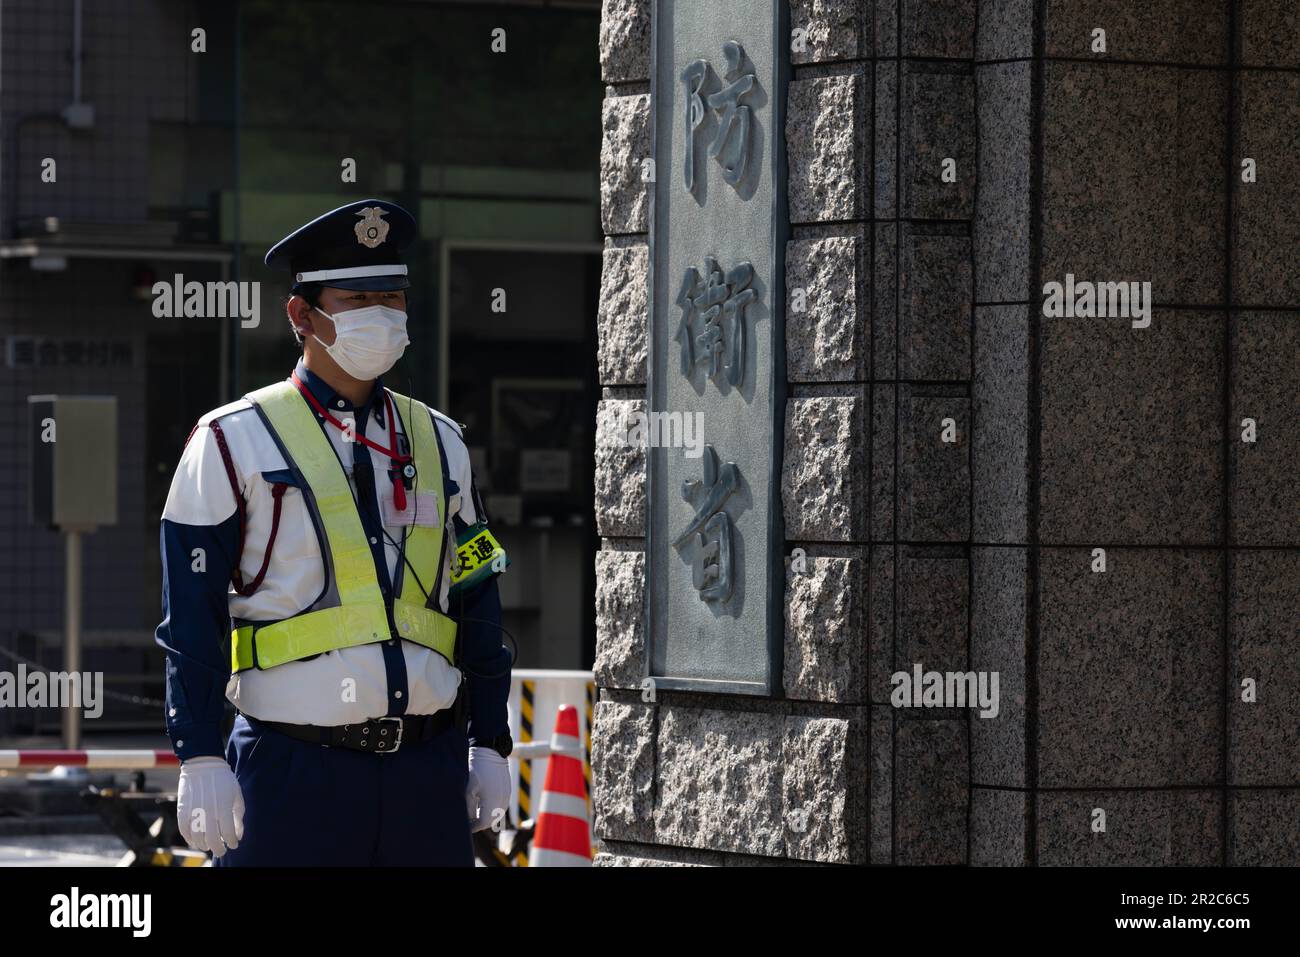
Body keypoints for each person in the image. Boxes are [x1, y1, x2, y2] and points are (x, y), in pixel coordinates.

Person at [154, 199, 513, 865]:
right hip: (294, 772)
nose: (380, 315)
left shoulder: (441, 441)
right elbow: (192, 620)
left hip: (426, 774)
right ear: (302, 315)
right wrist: (199, 751)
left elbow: (479, 590)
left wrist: (491, 738)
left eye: (393, 298)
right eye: (356, 298)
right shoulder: (230, 440)